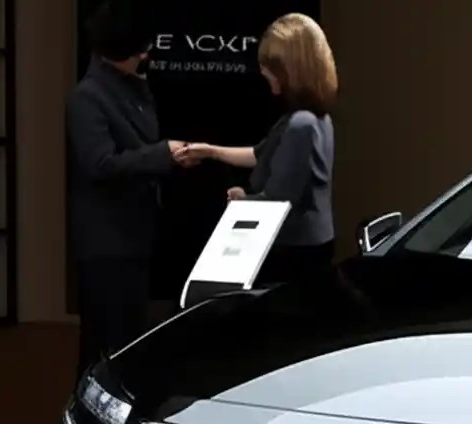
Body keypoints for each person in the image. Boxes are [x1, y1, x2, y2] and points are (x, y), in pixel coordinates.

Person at [66, 0, 194, 378]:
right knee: (103, 341)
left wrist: (163, 153)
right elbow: (100, 164)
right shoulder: (85, 98)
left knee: (130, 337)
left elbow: (144, 138)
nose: (145, 56)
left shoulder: (132, 87)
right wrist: (161, 155)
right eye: (139, 51)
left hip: (135, 233)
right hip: (105, 241)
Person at [177, 13, 337, 285]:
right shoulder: (316, 118)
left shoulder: (301, 124)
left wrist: (242, 201)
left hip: (295, 251)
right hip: (311, 245)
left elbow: (279, 202)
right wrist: (210, 151)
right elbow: (261, 154)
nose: (263, 71)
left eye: (270, 67)